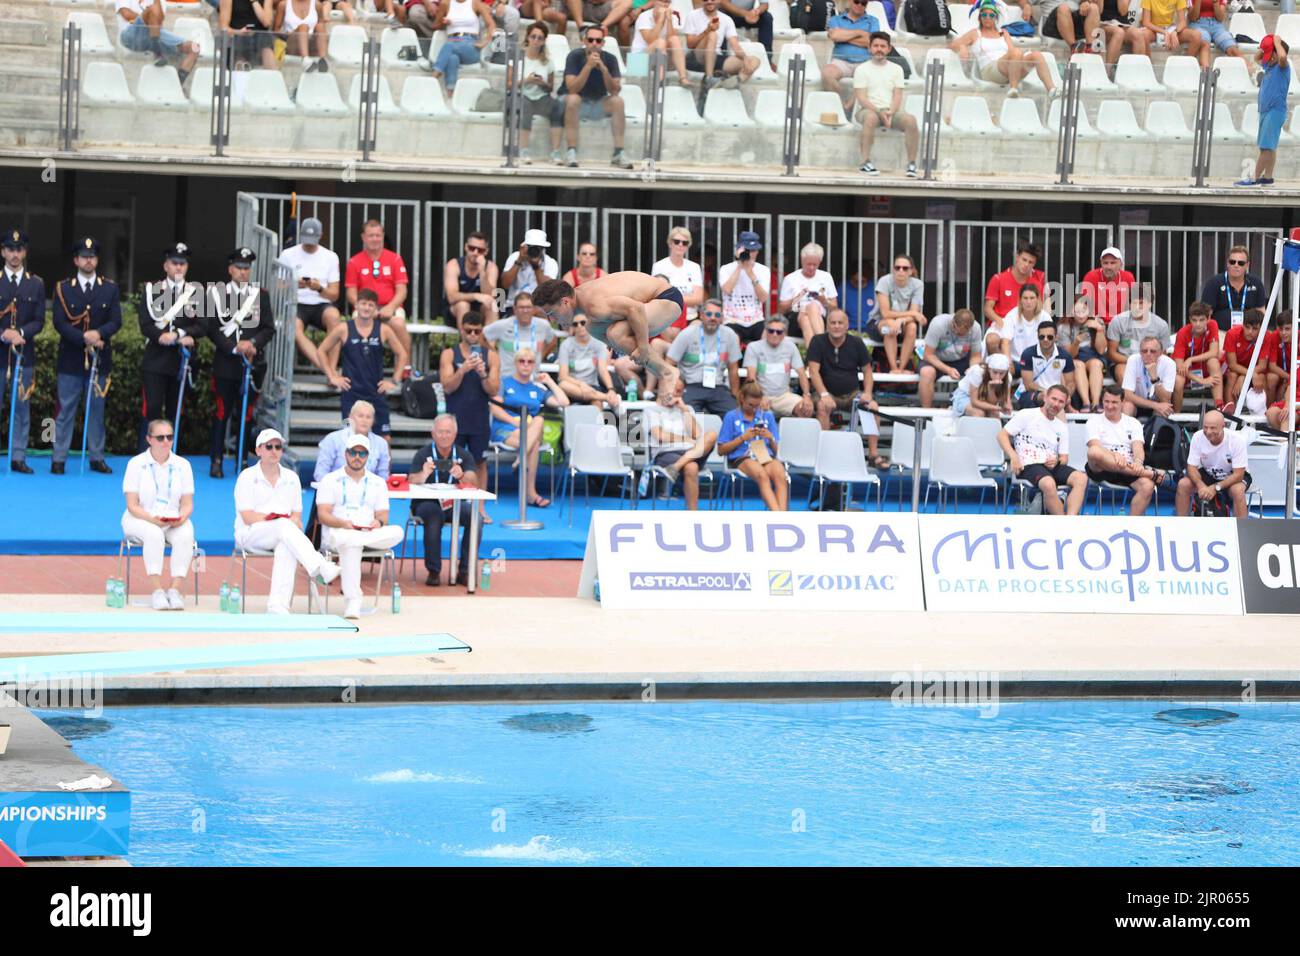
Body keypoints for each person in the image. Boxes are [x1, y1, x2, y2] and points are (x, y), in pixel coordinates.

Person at [235, 428, 342, 614]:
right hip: (250, 534)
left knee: (286, 545)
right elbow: (247, 517)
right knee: (283, 526)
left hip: (283, 534)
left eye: (278, 447)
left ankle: (278, 606)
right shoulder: (247, 477)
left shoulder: (292, 478)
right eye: (269, 446)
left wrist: (282, 522)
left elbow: (297, 518)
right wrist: (274, 519)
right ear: (258, 450)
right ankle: (319, 565)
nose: (274, 450)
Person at [52, 236, 122, 476]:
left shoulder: (109, 288)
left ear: (97, 259)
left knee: (97, 410)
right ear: (76, 260)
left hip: (99, 359)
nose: (88, 260)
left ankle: (96, 456)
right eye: (84, 256)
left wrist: (99, 333)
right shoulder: (63, 287)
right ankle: (58, 457)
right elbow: (59, 323)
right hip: (71, 358)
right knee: (63, 410)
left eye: (92, 257)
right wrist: (84, 338)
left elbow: (116, 321)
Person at [531, 271, 687, 378]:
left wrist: (643, 347)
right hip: (650, 300)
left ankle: (667, 373)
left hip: (668, 299)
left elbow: (636, 308)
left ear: (565, 302)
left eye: (551, 314)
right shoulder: (582, 298)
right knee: (593, 327)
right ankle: (665, 372)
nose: (551, 320)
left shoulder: (594, 305)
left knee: (617, 334)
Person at [315, 435, 404, 619]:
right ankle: (353, 601)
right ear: (345, 454)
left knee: (397, 532)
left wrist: (377, 523)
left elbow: (383, 517)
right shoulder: (330, 479)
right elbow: (322, 515)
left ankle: (353, 601)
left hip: (367, 533)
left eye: (362, 453)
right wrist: (342, 523)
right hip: (337, 530)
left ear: (368, 456)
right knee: (351, 544)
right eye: (353, 452)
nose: (357, 456)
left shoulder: (378, 482)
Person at [207, 247, 275, 479]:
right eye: (239, 268)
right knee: (222, 412)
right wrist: (234, 347)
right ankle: (216, 459)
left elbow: (268, 328)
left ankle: (243, 460)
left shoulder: (260, 295)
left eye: (246, 268)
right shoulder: (217, 294)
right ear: (230, 269)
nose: (243, 272)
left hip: (252, 362)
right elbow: (211, 327)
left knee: (246, 414)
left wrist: (252, 342)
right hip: (227, 361)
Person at [121, 419, 196, 610]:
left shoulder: (183, 465)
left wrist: (182, 518)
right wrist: (152, 519)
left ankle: (174, 590)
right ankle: (157, 590)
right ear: (149, 439)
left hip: (172, 519)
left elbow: (187, 503)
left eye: (169, 437)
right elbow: (132, 505)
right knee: (154, 534)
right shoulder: (136, 464)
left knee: (187, 533)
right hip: (139, 517)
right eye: (160, 437)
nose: (166, 441)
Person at [317, 288, 408, 440]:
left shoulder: (383, 329)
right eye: (363, 304)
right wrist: (332, 376)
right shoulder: (344, 328)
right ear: (356, 306)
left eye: (371, 305)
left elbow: (402, 353)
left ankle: (384, 465)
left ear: (375, 308)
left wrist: (394, 380)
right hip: (351, 393)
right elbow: (321, 351)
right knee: (349, 438)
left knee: (384, 439)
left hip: (376, 392)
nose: (366, 308)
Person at [139, 242, 205, 451]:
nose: (179, 267)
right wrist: (161, 336)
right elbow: (145, 323)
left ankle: (171, 455)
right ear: (166, 265)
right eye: (174, 263)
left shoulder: (196, 292)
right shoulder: (153, 290)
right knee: (153, 409)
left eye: (182, 264)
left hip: (181, 361)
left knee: (176, 411)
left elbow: (203, 325)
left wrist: (180, 334)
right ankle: (146, 454)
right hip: (156, 360)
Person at [439, 311, 499, 521]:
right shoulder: (449, 354)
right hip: (456, 418)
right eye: (468, 331)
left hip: (479, 418)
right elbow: (447, 387)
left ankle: (479, 508)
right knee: (452, 462)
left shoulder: (490, 355)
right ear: (461, 331)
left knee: (480, 463)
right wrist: (462, 370)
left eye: (477, 331)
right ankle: (451, 507)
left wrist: (482, 373)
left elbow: (493, 390)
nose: (473, 335)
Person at [808, 308, 886, 468]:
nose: (836, 326)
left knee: (873, 407)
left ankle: (873, 455)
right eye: (832, 322)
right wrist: (823, 394)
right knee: (822, 407)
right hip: (826, 393)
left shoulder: (856, 343)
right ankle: (827, 454)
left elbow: (867, 371)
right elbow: (813, 371)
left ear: (847, 325)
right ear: (827, 325)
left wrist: (868, 393)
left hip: (852, 394)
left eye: (840, 322)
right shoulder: (817, 341)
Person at [491, 347, 569, 507]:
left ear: (534, 365)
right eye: (522, 361)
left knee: (539, 420)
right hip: (506, 428)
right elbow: (494, 407)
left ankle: (520, 459)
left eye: (530, 362)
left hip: (528, 431)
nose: (525, 365)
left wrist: (549, 381)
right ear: (515, 363)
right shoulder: (504, 382)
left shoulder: (537, 388)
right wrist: (514, 422)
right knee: (534, 443)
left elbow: (564, 402)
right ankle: (531, 494)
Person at [410, 415, 482, 586]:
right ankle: (434, 570)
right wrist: (424, 474)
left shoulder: (463, 455)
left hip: (454, 504)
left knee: (476, 518)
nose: (444, 436)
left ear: (455, 434)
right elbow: (410, 480)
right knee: (434, 515)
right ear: (433, 434)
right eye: (440, 432)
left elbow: (474, 482)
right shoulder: (422, 454)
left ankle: (465, 571)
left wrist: (462, 475)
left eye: (448, 432)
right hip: (426, 503)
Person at [998, 383, 1087, 515]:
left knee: (1081, 478)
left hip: (1051, 466)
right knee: (1049, 484)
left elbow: (1064, 458)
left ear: (1065, 404)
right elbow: (1002, 435)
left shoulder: (1061, 427)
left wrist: (1057, 461)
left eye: (1061, 401)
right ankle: (1065, 525)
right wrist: (1013, 457)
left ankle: (1071, 519)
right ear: (1045, 398)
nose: (1056, 404)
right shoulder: (1026, 415)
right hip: (1028, 465)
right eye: (1054, 399)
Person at [643, 366, 718, 510]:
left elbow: (697, 435)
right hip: (666, 453)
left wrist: (684, 410)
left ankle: (675, 468)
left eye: (678, 391)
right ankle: (692, 514)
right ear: (662, 386)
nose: (674, 393)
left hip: (690, 452)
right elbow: (660, 436)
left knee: (712, 434)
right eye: (672, 388)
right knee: (692, 467)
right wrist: (684, 440)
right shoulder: (651, 410)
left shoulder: (686, 409)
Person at [563, 24, 636, 170]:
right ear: (584, 41)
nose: (594, 44)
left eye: (598, 41)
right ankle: (571, 151)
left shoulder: (610, 59)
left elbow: (615, 90)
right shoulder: (575, 56)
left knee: (618, 102)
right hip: (578, 102)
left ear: (603, 43)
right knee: (572, 99)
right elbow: (572, 89)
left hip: (598, 102)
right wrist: (588, 67)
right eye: (591, 40)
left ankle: (618, 153)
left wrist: (603, 69)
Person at [0, 228, 43, 475]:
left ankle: (18, 456)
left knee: (22, 409)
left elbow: (39, 320)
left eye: (19, 249)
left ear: (24, 252)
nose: (15, 254)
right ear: (3, 252)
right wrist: (3, 334)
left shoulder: (35, 283)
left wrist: (21, 334)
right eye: (10, 249)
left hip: (24, 357)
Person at [344, 219, 412, 371]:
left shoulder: (395, 259)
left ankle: (405, 369)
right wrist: (365, 308)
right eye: (371, 235)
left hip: (390, 307)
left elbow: (402, 291)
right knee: (355, 323)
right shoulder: (354, 261)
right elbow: (351, 293)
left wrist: (390, 307)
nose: (375, 239)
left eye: (378, 235)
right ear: (363, 237)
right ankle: (357, 369)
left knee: (399, 324)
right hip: (364, 308)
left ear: (382, 236)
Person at [1085, 385, 1161, 515]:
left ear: (1123, 402)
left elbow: (1138, 448)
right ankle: (1146, 473)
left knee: (1147, 487)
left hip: (1128, 469)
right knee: (1093, 452)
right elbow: (1095, 446)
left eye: (1114, 402)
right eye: (1106, 402)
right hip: (1102, 468)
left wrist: (1137, 462)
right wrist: (1114, 455)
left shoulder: (1133, 423)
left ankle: (1130, 526)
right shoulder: (1093, 421)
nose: (1109, 406)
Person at [952, 3, 1056, 98]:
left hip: (1008, 67)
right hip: (989, 70)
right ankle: (1013, 89)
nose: (987, 18)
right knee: (1016, 53)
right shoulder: (975, 33)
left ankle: (1051, 90)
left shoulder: (1002, 33)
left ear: (995, 18)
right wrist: (962, 47)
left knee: (1036, 55)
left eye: (991, 15)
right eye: (984, 15)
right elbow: (953, 44)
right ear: (980, 17)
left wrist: (1022, 57)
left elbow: (1012, 51)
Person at [853, 31, 918, 179]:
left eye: (883, 46)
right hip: (867, 109)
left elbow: (897, 95)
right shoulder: (861, 69)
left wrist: (890, 112)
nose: (879, 49)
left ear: (889, 49)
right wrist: (879, 112)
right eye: (875, 46)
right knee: (870, 118)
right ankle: (864, 163)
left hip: (891, 110)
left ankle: (912, 164)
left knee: (911, 121)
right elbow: (862, 98)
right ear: (870, 48)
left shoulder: (897, 69)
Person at [281, 217, 342, 374]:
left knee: (335, 318)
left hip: (321, 302)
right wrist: (295, 284)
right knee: (294, 328)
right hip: (296, 302)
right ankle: (328, 370)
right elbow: (278, 287)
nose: (308, 243)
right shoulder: (287, 254)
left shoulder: (330, 257)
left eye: (312, 239)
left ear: (321, 235)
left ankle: (332, 367)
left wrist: (319, 288)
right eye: (305, 239)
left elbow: (334, 295)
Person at [718, 381, 787, 511]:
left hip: (763, 454)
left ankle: (782, 517)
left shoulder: (767, 416)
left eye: (757, 405)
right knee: (762, 475)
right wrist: (742, 438)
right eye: (751, 405)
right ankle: (778, 517)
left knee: (780, 474)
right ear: (742, 398)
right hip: (741, 456)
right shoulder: (731, 417)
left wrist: (770, 438)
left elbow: (777, 451)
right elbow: (721, 450)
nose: (754, 409)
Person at [666, 298, 742, 414]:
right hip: (692, 385)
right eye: (709, 314)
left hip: (718, 387)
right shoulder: (687, 334)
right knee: (686, 414)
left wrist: (735, 396)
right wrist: (676, 382)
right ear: (701, 315)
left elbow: (733, 368)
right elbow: (669, 363)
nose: (713, 318)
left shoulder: (729, 335)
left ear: (721, 318)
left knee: (734, 415)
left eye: (717, 315)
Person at [1237, 35, 1291, 187]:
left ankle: (1254, 178)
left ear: (1276, 54)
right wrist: (1267, 44)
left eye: (1270, 55)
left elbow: (1282, 56)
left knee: (1266, 147)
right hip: (1266, 111)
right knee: (1269, 146)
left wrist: (1277, 42)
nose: (1267, 58)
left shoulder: (1283, 67)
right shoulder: (1269, 66)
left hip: (1275, 111)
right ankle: (1268, 177)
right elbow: (1256, 57)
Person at [1175, 409, 1250, 517]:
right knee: (1183, 484)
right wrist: (1200, 485)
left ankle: (1242, 530)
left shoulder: (1237, 440)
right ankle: (1180, 525)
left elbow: (1238, 475)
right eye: (1205, 427)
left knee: (1237, 491)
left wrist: (1215, 487)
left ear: (1223, 426)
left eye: (1213, 428)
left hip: (1233, 475)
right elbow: (1191, 467)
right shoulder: (1198, 436)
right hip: (1209, 472)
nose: (1208, 431)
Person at [514, 22, 566, 166]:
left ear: (544, 41)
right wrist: (527, 80)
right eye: (533, 37)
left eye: (540, 38)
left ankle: (555, 151)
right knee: (525, 106)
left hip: (541, 96)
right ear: (527, 38)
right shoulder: (518, 57)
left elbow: (550, 88)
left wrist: (542, 84)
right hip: (521, 94)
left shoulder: (548, 62)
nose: (536, 40)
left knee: (558, 107)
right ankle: (524, 150)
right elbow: (509, 84)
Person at [418, 0, 496, 93]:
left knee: (449, 46)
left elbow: (491, 25)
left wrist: (485, 41)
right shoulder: (445, 3)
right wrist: (444, 23)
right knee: (452, 58)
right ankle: (450, 92)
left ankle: (433, 78)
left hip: (470, 45)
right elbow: (436, 25)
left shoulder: (475, 3)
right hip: (453, 41)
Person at [743, 315, 813, 418]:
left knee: (806, 409)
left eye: (779, 332)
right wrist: (759, 397)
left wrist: (807, 396)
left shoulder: (791, 347)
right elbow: (751, 377)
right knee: (762, 417)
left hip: (783, 396)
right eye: (771, 331)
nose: (775, 334)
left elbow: (802, 374)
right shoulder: (754, 347)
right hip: (760, 395)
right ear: (766, 331)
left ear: (784, 333)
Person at [115, 0, 200, 82]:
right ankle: (158, 53)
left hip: (154, 32)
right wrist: (148, 17)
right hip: (130, 33)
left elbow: (159, 20)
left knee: (195, 48)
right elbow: (126, 14)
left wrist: (153, 14)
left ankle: (177, 85)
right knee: (152, 10)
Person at [868, 254, 925, 374]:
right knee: (890, 324)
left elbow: (913, 315)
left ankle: (902, 368)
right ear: (893, 269)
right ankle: (894, 368)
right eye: (897, 267)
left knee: (912, 326)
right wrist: (912, 314)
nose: (900, 271)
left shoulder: (918, 284)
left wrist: (901, 320)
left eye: (905, 268)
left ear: (911, 271)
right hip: (877, 324)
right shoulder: (884, 281)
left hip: (901, 325)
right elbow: (885, 313)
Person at [684, 0, 759, 91]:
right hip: (696, 57)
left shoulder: (726, 19)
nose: (709, 2)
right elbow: (690, 44)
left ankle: (736, 81)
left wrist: (745, 59)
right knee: (712, 35)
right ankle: (709, 79)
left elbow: (735, 45)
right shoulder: (692, 15)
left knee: (754, 61)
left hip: (716, 57)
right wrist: (707, 30)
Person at [484, 291, 557, 381]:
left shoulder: (543, 325)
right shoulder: (503, 325)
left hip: (533, 379)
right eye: (521, 307)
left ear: (534, 309)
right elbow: (481, 336)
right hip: (507, 379)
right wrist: (494, 356)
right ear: (514, 309)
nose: (525, 310)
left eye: (528, 307)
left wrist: (540, 357)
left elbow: (553, 341)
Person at [313, 399, 392, 482]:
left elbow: (383, 476)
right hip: (336, 489)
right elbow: (320, 473)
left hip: (369, 491)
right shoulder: (332, 439)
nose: (364, 420)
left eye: (368, 417)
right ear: (350, 417)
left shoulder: (381, 443)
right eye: (360, 416)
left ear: (373, 421)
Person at [919, 308, 984, 409]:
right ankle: (927, 414)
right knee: (926, 372)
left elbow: (976, 356)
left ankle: (973, 410)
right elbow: (928, 355)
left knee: (978, 372)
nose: (959, 335)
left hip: (961, 360)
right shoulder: (938, 323)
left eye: (963, 334)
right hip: (936, 359)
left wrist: (972, 368)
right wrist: (948, 370)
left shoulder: (976, 328)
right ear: (953, 322)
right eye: (957, 332)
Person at [1106, 289, 1170, 389]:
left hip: (1152, 363)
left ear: (1150, 304)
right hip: (1124, 362)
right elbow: (1111, 353)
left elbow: (1163, 355)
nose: (1137, 307)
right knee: (1123, 374)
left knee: (1168, 381)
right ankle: (1129, 403)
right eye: (1134, 302)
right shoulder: (1118, 321)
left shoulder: (1161, 325)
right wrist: (1136, 362)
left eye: (1141, 303)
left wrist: (1149, 364)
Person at [822, 0, 880, 109]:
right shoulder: (836, 19)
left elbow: (872, 42)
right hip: (841, 61)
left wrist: (844, 37)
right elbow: (834, 36)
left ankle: (848, 107)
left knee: (871, 76)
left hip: (865, 62)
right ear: (850, 1)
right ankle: (841, 104)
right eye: (857, 2)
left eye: (863, 3)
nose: (860, 5)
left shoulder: (873, 21)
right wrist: (859, 32)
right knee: (827, 74)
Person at [557, 311, 622, 408]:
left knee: (597, 403)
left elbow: (603, 370)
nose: (579, 326)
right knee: (563, 385)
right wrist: (582, 385)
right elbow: (563, 376)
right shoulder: (566, 345)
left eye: (583, 323)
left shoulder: (599, 343)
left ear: (589, 323)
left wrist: (611, 389)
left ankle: (606, 398)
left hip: (592, 386)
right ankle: (606, 398)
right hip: (573, 386)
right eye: (575, 324)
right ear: (573, 327)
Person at [718, 231, 771, 345]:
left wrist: (750, 272)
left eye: (754, 250)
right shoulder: (726, 268)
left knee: (767, 339)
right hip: (732, 320)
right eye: (748, 250)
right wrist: (740, 266)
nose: (751, 254)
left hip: (756, 320)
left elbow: (763, 298)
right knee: (733, 341)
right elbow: (727, 289)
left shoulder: (763, 270)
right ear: (739, 250)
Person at [778, 243, 837, 344]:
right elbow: (782, 309)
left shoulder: (826, 277)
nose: (812, 267)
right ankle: (823, 346)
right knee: (811, 307)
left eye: (815, 264)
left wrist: (824, 300)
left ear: (820, 262)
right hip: (794, 318)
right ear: (802, 260)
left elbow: (834, 307)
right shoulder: (790, 278)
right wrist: (797, 297)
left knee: (807, 317)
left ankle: (813, 356)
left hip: (819, 318)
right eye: (808, 264)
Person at [1222, 308, 1278, 411]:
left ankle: (1266, 413)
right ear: (1242, 325)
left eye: (1255, 328)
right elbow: (1232, 365)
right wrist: (1249, 375)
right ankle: (1230, 415)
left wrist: (1244, 376)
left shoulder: (1266, 336)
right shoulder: (1232, 334)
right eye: (1247, 327)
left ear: (1261, 328)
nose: (1250, 332)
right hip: (1236, 370)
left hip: (1255, 371)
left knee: (1262, 377)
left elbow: (1262, 366)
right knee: (1232, 375)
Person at [1171, 301, 1223, 412]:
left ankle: (1219, 406)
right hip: (1186, 372)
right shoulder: (1183, 333)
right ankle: (1176, 417)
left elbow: (1214, 352)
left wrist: (1191, 359)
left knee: (1213, 362)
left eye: (1201, 320)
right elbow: (1179, 366)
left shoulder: (1213, 324)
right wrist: (1201, 380)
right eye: (1194, 320)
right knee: (1178, 380)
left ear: (1208, 318)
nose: (1198, 324)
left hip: (1203, 368)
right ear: (1190, 319)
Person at [983, 239, 1045, 330]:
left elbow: (1039, 309)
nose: (1026, 264)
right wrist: (1000, 321)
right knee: (992, 340)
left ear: (1034, 264)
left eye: (1030, 262)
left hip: (1026, 326)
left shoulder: (1036, 284)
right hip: (1001, 323)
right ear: (1017, 257)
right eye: (1024, 260)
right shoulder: (998, 279)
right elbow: (987, 309)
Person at [443, 232, 500, 330]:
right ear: (466, 247)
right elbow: (452, 297)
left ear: (486, 252)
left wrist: (482, 271)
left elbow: (490, 295)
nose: (475, 253)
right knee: (463, 305)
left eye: (480, 250)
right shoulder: (453, 265)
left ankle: (489, 344)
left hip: (480, 311)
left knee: (492, 306)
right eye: (472, 248)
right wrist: (476, 296)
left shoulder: (491, 267)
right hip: (456, 311)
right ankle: (467, 344)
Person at [650, 227, 704, 329]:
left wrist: (672, 297)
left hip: (690, 316)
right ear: (670, 243)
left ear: (688, 246)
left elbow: (698, 298)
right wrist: (688, 298)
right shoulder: (659, 266)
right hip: (667, 317)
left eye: (685, 243)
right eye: (676, 241)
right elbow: (657, 296)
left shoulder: (694, 267)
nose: (680, 245)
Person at [1199, 246, 1266, 329]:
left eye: (1240, 263)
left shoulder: (1256, 283)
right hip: (1221, 333)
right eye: (1232, 262)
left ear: (1247, 265)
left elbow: (1261, 313)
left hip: (1249, 333)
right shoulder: (1214, 283)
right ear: (1227, 263)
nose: (1236, 265)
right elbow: (1206, 314)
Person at [1057, 298, 1106, 412]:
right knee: (1078, 365)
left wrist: (1099, 329)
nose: (1080, 315)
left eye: (1083, 310)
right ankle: (1086, 403)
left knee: (1096, 364)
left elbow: (1101, 350)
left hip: (1093, 356)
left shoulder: (1097, 322)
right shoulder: (1063, 327)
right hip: (1075, 358)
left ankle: (1096, 402)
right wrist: (1077, 342)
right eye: (1076, 311)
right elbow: (1069, 355)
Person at [1016, 319, 1076, 410]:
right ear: (1037, 336)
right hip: (1035, 392)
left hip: (1057, 394)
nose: (1045, 339)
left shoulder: (1065, 356)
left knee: (1060, 399)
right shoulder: (1028, 354)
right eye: (1042, 337)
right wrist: (1049, 393)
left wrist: (1066, 394)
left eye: (1050, 337)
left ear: (1056, 337)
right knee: (1043, 397)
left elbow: (1071, 383)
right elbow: (1029, 385)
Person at [632, 0, 693, 89]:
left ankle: (683, 78)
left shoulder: (672, 17)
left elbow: (672, 38)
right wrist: (660, 20)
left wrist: (669, 21)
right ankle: (660, 82)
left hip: (662, 56)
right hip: (638, 60)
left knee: (675, 39)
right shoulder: (644, 16)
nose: (665, 4)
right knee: (660, 42)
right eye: (662, 1)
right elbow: (650, 40)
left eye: (668, 2)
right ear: (655, 2)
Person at [988, 283, 1051, 367]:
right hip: (1016, 363)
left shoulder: (1045, 317)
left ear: (1037, 299)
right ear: (1020, 300)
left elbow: (1050, 343)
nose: (1028, 302)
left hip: (1038, 363)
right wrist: (1009, 363)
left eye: (1032, 298)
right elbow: (1005, 342)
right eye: (1025, 298)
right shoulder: (1012, 316)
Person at [1126, 0, 1205, 59]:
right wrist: (1165, 33)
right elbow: (1146, 22)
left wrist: (1175, 32)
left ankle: (1185, 69)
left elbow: (1183, 22)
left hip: (1170, 27)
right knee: (1143, 36)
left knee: (1196, 35)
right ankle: (1148, 70)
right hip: (1154, 28)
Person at [1121, 335, 1176, 418]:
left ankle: (1155, 431)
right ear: (1139, 352)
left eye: (1153, 351)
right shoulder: (1133, 360)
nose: (1148, 354)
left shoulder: (1169, 364)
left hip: (1159, 405)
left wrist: (1155, 378)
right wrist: (1155, 405)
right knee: (1127, 405)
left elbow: (1165, 399)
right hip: (1137, 403)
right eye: (1144, 351)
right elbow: (1128, 395)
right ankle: (1126, 431)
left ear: (1161, 352)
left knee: (1164, 408)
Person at [1076, 246, 1134, 325]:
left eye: (1113, 263)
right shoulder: (1091, 276)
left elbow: (1134, 302)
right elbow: (1082, 303)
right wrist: (1089, 319)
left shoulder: (1128, 277)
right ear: (1101, 263)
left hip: (1121, 323)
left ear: (1121, 264)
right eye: (1105, 263)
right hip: (1097, 321)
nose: (1108, 267)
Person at [501, 229, 560, 304]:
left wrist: (536, 267)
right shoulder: (515, 257)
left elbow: (547, 291)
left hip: (539, 306)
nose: (534, 250)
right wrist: (519, 261)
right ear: (525, 246)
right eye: (531, 246)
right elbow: (505, 284)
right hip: (514, 305)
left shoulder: (550, 262)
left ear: (543, 248)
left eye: (538, 247)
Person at [219, 0, 278, 70]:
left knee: (266, 38)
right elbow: (223, 27)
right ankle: (240, 73)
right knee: (240, 41)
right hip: (237, 39)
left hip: (260, 41)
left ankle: (271, 75)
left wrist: (254, 2)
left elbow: (267, 22)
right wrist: (239, 32)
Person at [952, 352, 1013, 418]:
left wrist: (1007, 407)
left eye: (1001, 373)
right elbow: (974, 402)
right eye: (995, 372)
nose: (997, 376)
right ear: (989, 369)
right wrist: (999, 409)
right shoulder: (977, 372)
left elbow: (1005, 402)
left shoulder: (1008, 378)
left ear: (1006, 372)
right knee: (979, 413)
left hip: (983, 398)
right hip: (965, 395)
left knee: (994, 414)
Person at [275, 0, 329, 65]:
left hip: (311, 42)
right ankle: (305, 60)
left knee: (320, 26)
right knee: (303, 27)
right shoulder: (284, 4)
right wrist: (286, 34)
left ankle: (323, 60)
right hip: (291, 41)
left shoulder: (317, 4)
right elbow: (276, 30)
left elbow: (322, 25)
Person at [838, 264, 876, 333]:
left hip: (872, 329)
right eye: (856, 282)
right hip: (849, 329)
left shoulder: (875, 288)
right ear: (851, 277)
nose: (859, 284)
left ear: (868, 278)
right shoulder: (842, 289)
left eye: (863, 282)